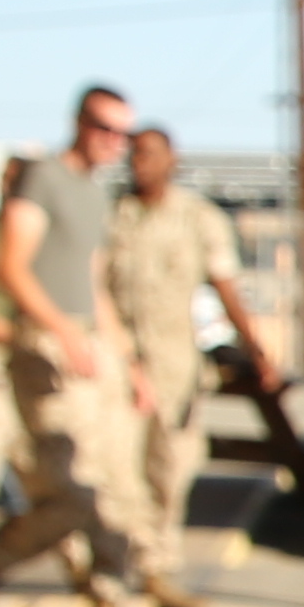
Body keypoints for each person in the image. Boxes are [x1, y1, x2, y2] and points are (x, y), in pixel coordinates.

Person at [0, 103, 172, 607]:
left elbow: (94, 283)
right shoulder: (44, 179)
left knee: (114, 490)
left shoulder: (94, 193)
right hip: (50, 349)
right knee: (73, 495)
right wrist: (60, 330)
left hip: (91, 346)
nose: (114, 142)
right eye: (104, 129)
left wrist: (127, 363)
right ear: (79, 124)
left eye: (123, 134)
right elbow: (13, 264)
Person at [102, 112, 280, 577]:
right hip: (118, 354)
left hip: (173, 359)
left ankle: (157, 565)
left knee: (170, 465)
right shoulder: (112, 216)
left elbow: (226, 285)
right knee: (117, 467)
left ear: (171, 160)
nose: (138, 163)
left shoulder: (197, 218)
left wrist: (255, 348)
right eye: (133, 153)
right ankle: (117, 565)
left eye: (149, 153)